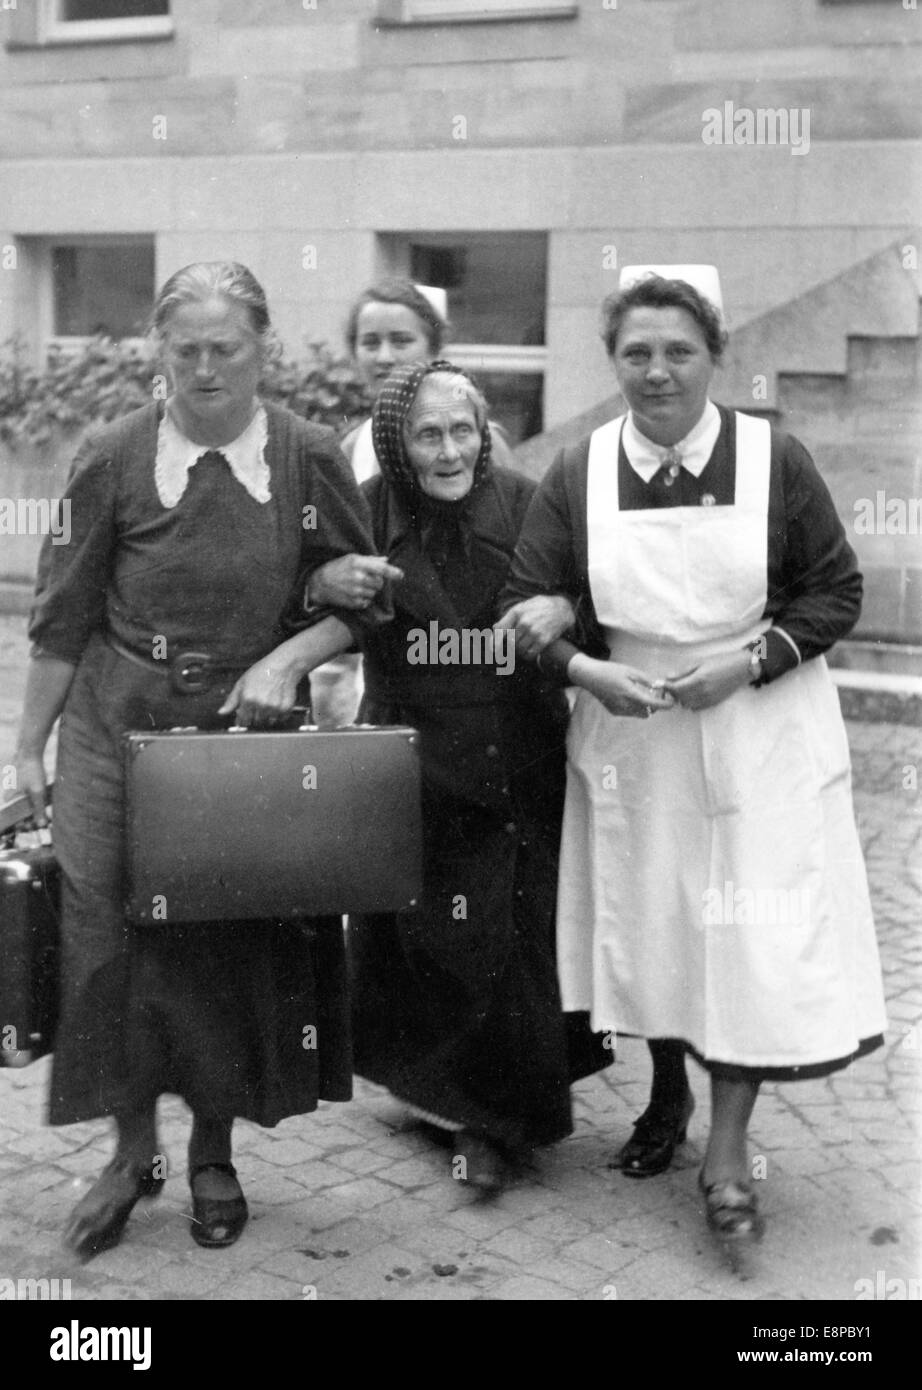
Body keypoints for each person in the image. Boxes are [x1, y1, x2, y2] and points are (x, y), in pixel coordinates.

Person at [11, 261, 390, 1261]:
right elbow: (60, 617)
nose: (207, 368)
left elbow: (360, 602)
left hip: (242, 742)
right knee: (108, 946)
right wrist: (26, 746)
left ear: (264, 349)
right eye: (187, 350)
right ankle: (131, 1152)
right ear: (159, 353)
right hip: (113, 731)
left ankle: (214, 1154)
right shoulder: (113, 454)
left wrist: (289, 652)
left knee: (225, 945)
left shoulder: (308, 459)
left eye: (228, 348)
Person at [500, 267, 887, 1245]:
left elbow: (833, 593)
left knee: (747, 938)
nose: (656, 371)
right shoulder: (580, 472)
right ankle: (667, 1094)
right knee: (661, 923)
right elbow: (528, 600)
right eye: (636, 352)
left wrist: (753, 658)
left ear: (716, 356)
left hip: (760, 730)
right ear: (613, 361)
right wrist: (586, 666)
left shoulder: (773, 461)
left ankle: (726, 1150)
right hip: (636, 733)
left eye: (677, 351)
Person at [309, 360, 609, 1191]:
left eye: (463, 431)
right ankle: (440, 1101)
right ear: (396, 447)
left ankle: (494, 1127)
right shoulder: (366, 514)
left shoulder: (525, 502)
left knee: (508, 944)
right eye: (428, 435)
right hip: (416, 758)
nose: (449, 452)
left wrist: (567, 609)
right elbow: (312, 604)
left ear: (486, 435)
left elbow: (599, 589)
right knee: (425, 945)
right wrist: (321, 578)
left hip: (516, 757)